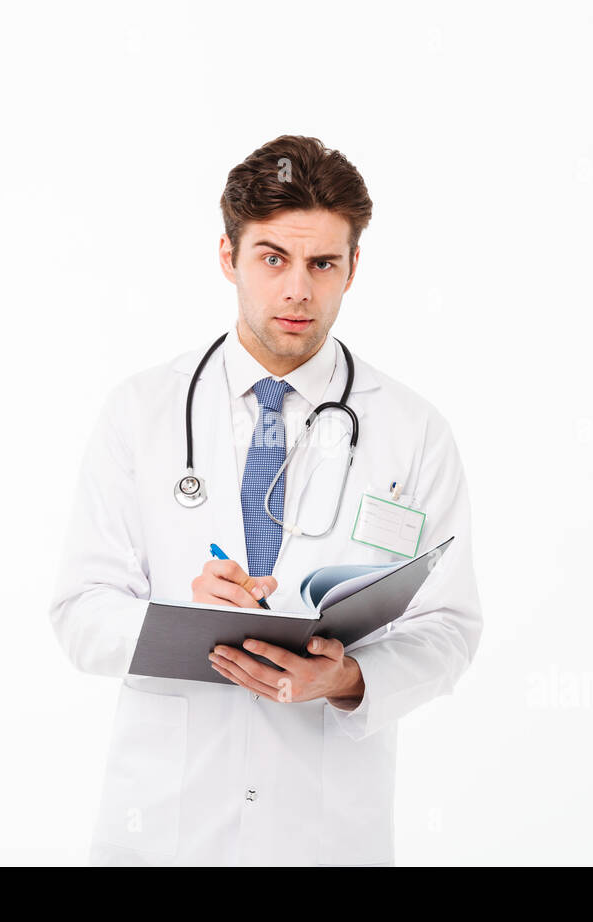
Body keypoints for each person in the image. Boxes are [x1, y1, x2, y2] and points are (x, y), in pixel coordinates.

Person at [48, 134, 483, 865]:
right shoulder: (141, 413)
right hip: (165, 826)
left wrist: (350, 678)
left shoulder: (413, 432)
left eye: (323, 264)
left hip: (325, 831)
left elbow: (449, 628)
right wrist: (183, 623)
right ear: (229, 258)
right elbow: (80, 611)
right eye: (273, 258)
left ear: (352, 269)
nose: (297, 291)